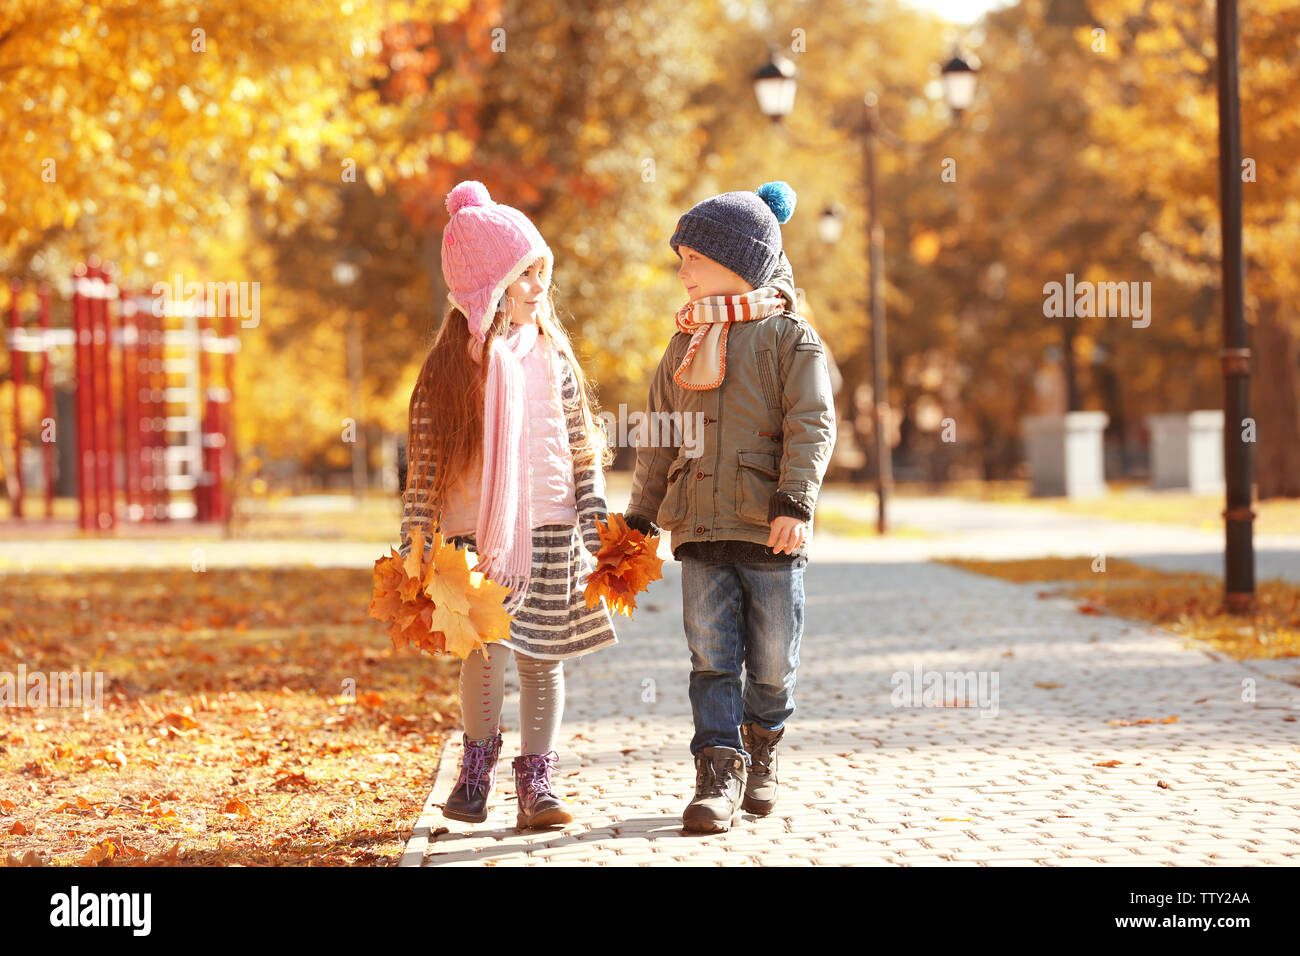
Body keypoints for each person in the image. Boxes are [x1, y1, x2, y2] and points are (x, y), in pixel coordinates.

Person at [398, 180, 616, 830]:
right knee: (484, 654)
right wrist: (416, 533)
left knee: (542, 658)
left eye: (540, 273)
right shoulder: (448, 369)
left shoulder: (554, 358)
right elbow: (427, 463)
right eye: (523, 276)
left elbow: (581, 448)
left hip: (548, 531)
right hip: (474, 537)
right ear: (485, 287)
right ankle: (475, 766)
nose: (536, 287)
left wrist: (594, 513)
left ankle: (538, 782)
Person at [624, 182, 837, 833]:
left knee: (771, 664)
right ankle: (717, 770)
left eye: (694, 259)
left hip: (768, 529)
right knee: (712, 660)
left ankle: (763, 744)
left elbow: (812, 423)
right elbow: (657, 438)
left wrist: (795, 501)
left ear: (738, 263)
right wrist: (638, 516)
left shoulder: (788, 339)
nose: (682, 272)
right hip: (699, 532)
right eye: (680, 259)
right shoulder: (681, 346)